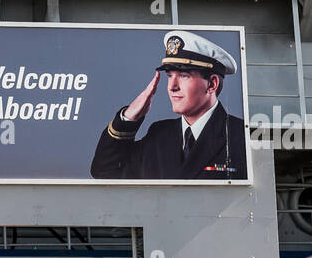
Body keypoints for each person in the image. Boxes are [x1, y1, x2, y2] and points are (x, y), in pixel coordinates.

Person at [90, 29, 247, 180]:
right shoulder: (159, 135)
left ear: (212, 84)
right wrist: (129, 118)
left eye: (184, 76)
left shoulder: (241, 136)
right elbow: (105, 171)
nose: (172, 86)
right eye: (170, 76)